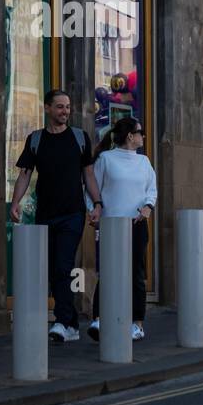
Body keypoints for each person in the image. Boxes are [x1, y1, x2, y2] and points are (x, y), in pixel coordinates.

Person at [10, 89, 103, 343]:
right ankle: (70, 323)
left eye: (68, 107)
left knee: (63, 266)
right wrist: (15, 202)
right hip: (45, 214)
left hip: (72, 213)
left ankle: (62, 321)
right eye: (60, 107)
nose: (65, 112)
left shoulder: (80, 138)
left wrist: (97, 203)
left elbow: (89, 175)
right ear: (47, 108)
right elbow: (25, 174)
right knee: (53, 270)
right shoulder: (35, 139)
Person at [87, 117, 157, 342]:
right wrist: (93, 211)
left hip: (136, 225)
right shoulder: (106, 159)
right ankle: (99, 319)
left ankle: (137, 324)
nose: (143, 136)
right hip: (111, 224)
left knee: (136, 275)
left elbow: (152, 190)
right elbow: (91, 189)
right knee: (107, 273)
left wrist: (147, 207)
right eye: (140, 132)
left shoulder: (144, 162)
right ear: (130, 136)